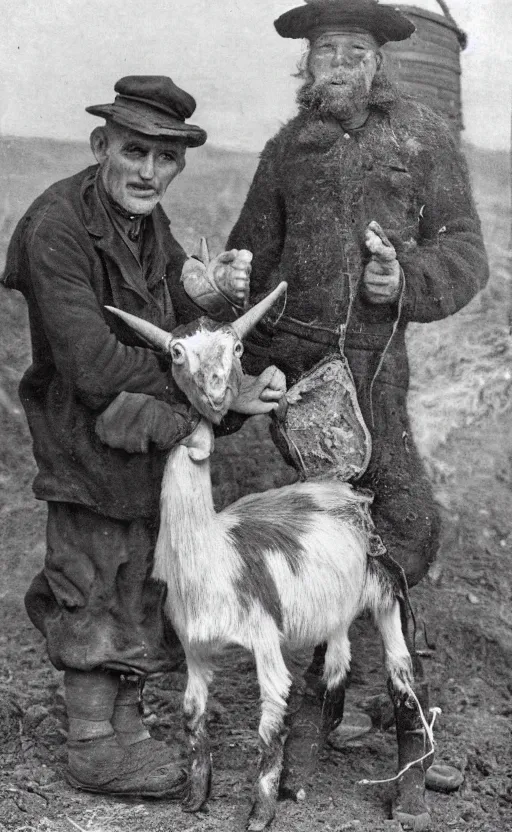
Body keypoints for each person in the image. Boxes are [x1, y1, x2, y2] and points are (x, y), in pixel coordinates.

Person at [226, 0, 488, 824]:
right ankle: (315, 705)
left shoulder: (420, 139)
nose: (336, 64)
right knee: (313, 533)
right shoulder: (286, 152)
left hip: (377, 372)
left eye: (354, 51)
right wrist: (240, 320)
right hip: (302, 383)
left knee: (401, 519)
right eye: (324, 50)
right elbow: (253, 264)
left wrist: (404, 278)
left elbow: (466, 252)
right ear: (305, 65)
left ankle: (401, 709)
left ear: (380, 62)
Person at [2, 75, 284, 798]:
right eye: (135, 152)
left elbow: (172, 297)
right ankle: (93, 744)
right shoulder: (56, 227)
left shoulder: (141, 221)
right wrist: (202, 384)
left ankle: (126, 730)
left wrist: (213, 296)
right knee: (92, 571)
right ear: (103, 145)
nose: (150, 172)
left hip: (138, 431)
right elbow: (92, 365)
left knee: (137, 570)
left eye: (167, 158)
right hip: (81, 432)